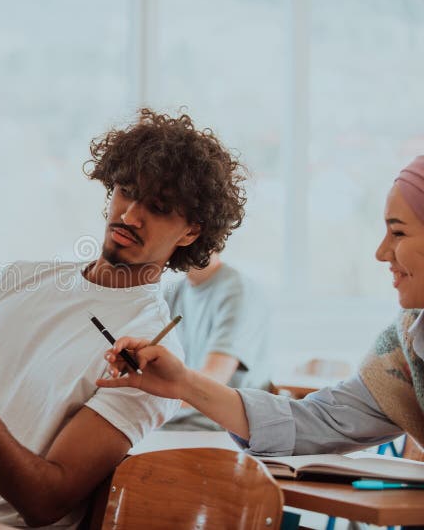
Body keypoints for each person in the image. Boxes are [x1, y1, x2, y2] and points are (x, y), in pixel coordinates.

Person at [0, 109, 248, 528]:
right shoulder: (20, 279)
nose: (130, 215)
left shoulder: (152, 359)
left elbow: (46, 500)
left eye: (158, 207)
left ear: (191, 232)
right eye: (126, 191)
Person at [98, 155, 424, 457]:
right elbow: (322, 422)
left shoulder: (236, 292)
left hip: (204, 431)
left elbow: (220, 374)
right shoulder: (405, 341)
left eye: (398, 232)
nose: (381, 253)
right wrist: (182, 382)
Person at [162, 251, 271, 431]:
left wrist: (151, 395)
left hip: (215, 427)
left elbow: (214, 380)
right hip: (174, 420)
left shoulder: (238, 292)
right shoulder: (174, 292)